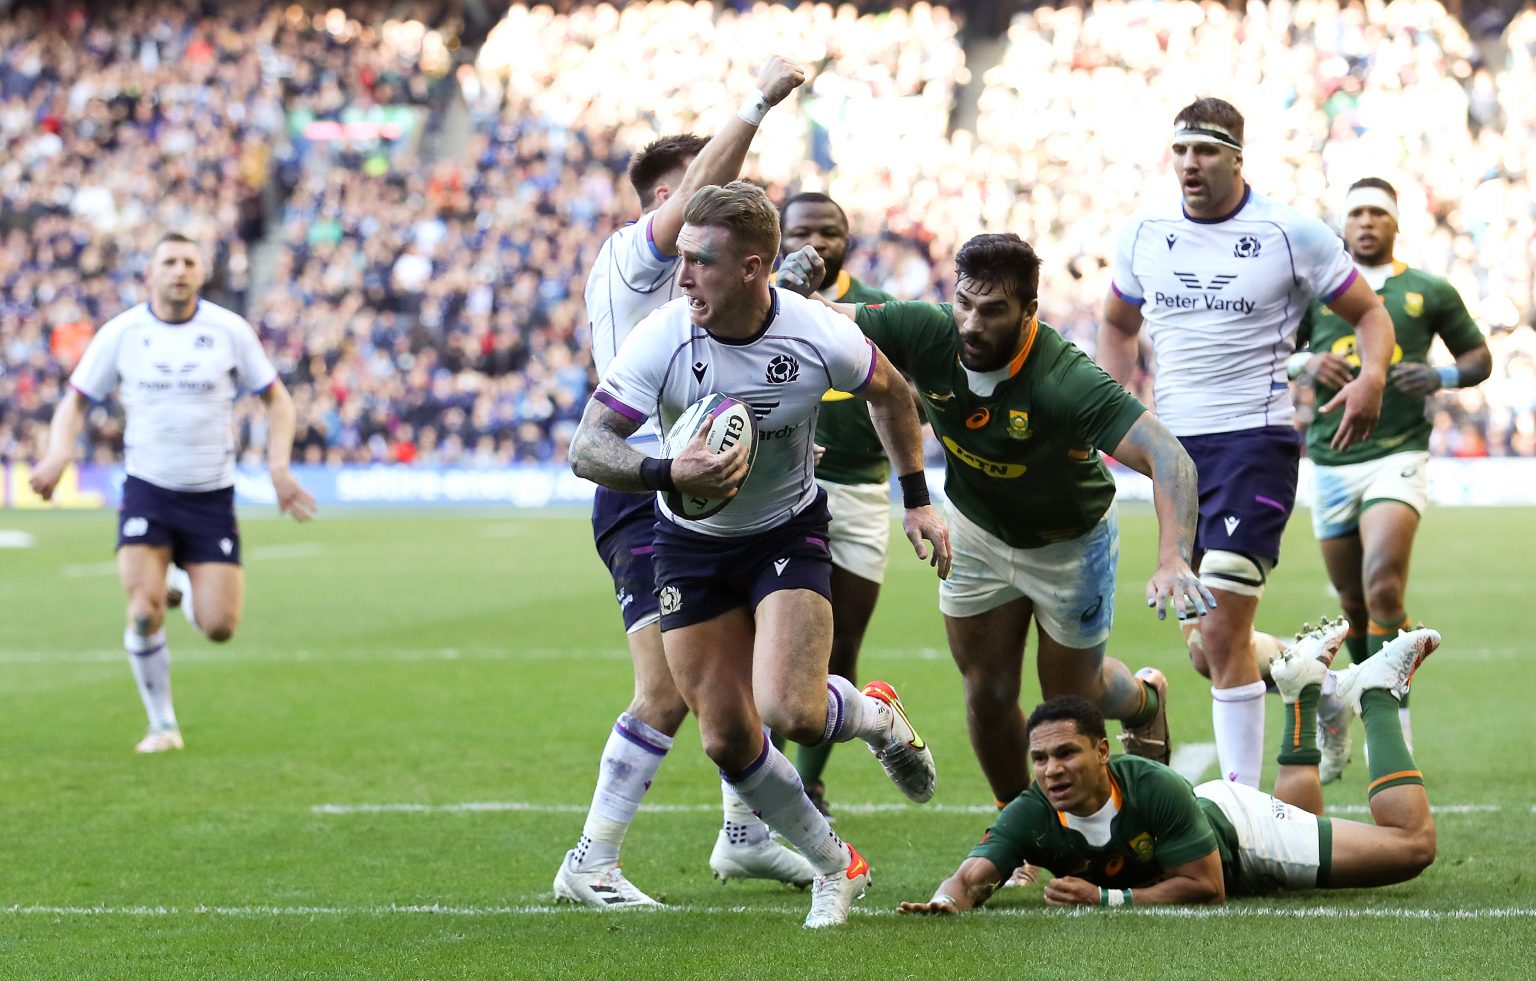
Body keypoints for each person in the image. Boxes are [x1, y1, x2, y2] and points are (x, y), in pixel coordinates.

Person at [570, 180, 952, 928]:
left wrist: (916, 497)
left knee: (793, 710)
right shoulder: (666, 334)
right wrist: (665, 472)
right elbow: (588, 445)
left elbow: (892, 393)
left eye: (700, 262)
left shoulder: (815, 332)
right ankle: (835, 864)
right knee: (726, 735)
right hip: (689, 542)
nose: (682, 278)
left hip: (786, 530)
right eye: (680, 259)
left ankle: (873, 715)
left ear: (752, 268)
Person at [779, 232, 1212, 811]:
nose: (971, 324)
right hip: (976, 533)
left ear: (1029, 310)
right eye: (964, 302)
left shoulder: (1064, 378)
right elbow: (821, 319)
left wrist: (1172, 557)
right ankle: (1023, 830)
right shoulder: (925, 328)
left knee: (1069, 700)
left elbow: (1168, 456)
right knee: (988, 692)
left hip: (1069, 546)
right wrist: (790, 289)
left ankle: (1141, 700)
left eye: (993, 311)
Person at [556, 56, 817, 908]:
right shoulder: (636, 257)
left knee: (731, 682)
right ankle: (591, 859)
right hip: (645, 488)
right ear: (657, 206)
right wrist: (759, 100)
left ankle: (743, 834)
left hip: (715, 491)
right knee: (666, 689)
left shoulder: (705, 281)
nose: (708, 209)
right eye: (691, 194)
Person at [1096, 97, 1396, 789]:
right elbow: (1115, 324)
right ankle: (1317, 679)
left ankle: (1239, 805)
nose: (1190, 163)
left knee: (1222, 635)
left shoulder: (1292, 232)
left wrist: (1372, 374)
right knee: (1206, 648)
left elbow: (1369, 313)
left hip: (1253, 442)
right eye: (1181, 150)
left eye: (1205, 150)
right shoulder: (1143, 232)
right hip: (1172, 453)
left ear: (1237, 156)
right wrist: (1113, 407)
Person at [898, 618, 1440, 913]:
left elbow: (1208, 887)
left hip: (1242, 837)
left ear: (1103, 751)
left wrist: (1106, 898)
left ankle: (1375, 696)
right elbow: (970, 878)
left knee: (1411, 847)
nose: (1051, 770)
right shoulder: (1030, 812)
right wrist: (947, 900)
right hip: (1225, 839)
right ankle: (1299, 694)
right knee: (1303, 818)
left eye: (1066, 753)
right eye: (1039, 758)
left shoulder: (1150, 785)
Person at [29, 232, 315, 753]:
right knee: (143, 607)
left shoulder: (229, 330)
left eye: (189, 261)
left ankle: (183, 574)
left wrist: (278, 466)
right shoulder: (122, 333)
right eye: (169, 261)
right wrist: (57, 454)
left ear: (201, 273)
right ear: (151, 272)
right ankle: (162, 724)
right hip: (147, 491)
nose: (179, 270)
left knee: (219, 626)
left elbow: (279, 402)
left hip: (211, 496)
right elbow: (74, 402)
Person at [1292, 177, 1491, 779]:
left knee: (1382, 589)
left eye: (1379, 213)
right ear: (1342, 225)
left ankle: (1391, 726)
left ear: (1396, 223)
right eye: (1357, 214)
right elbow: (1270, 350)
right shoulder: (1316, 292)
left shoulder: (1427, 289)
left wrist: (1442, 379)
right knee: (1353, 606)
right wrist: (1304, 361)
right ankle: (1359, 700)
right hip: (1329, 458)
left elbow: (1477, 356)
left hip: (1399, 455)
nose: (1367, 223)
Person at [774, 191, 898, 817]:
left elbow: (913, 397)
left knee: (840, 644)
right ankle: (766, 789)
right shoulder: (756, 305)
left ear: (848, 239)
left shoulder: (876, 307)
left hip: (861, 491)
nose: (816, 243)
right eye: (801, 232)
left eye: (829, 232)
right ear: (779, 238)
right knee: (771, 644)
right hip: (779, 490)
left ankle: (811, 781)